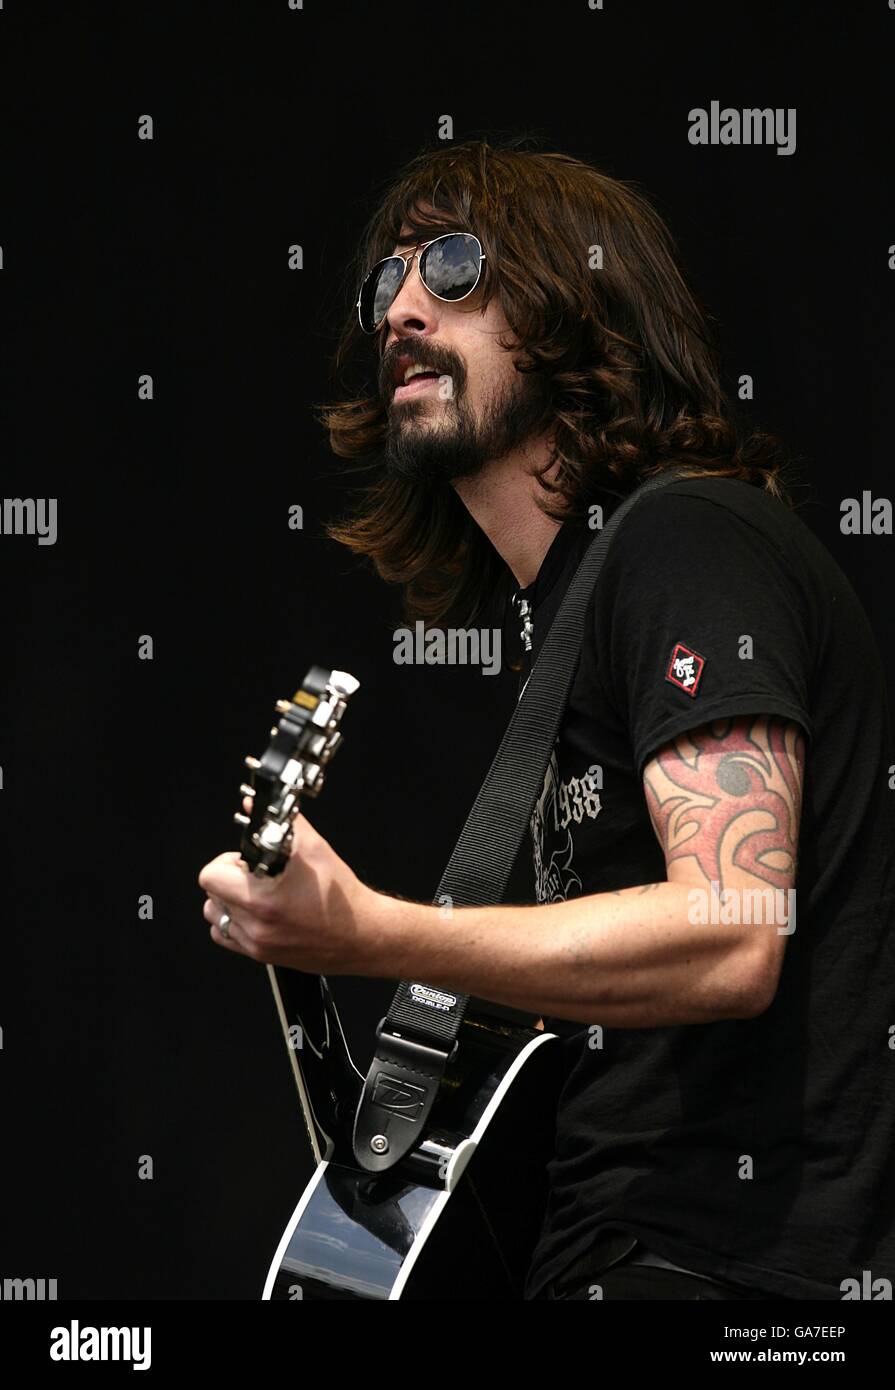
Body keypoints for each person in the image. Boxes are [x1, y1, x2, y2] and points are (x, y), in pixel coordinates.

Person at [198, 138, 895, 1301]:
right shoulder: (570, 616)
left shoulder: (688, 543)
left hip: (726, 1272)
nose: (403, 311)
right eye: (388, 283)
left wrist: (373, 934)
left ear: (583, 307)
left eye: (458, 269)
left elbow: (731, 926)